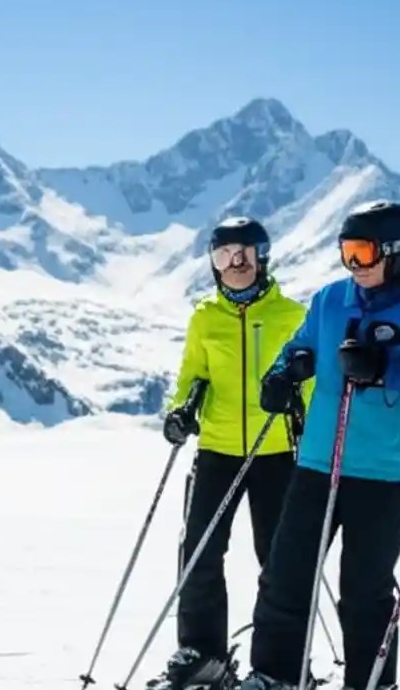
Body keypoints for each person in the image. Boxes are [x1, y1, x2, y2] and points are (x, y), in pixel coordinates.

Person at [236, 200, 400, 690]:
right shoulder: (331, 299)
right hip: (316, 462)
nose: (353, 266)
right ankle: (273, 675)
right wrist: (286, 372)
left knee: (364, 590)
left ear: (398, 253)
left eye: (363, 253)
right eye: (346, 252)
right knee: (285, 575)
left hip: (382, 472)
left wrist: (384, 369)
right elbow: (301, 346)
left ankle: (372, 682)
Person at [150, 217, 309, 689]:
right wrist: (180, 410)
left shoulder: (294, 316)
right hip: (218, 448)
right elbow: (191, 376)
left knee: (278, 560)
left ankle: (279, 666)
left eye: (245, 254)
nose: (235, 264)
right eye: (224, 256)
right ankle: (203, 655)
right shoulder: (205, 317)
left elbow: (313, 382)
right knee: (199, 551)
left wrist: (302, 411)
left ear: (263, 258)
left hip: (277, 450)